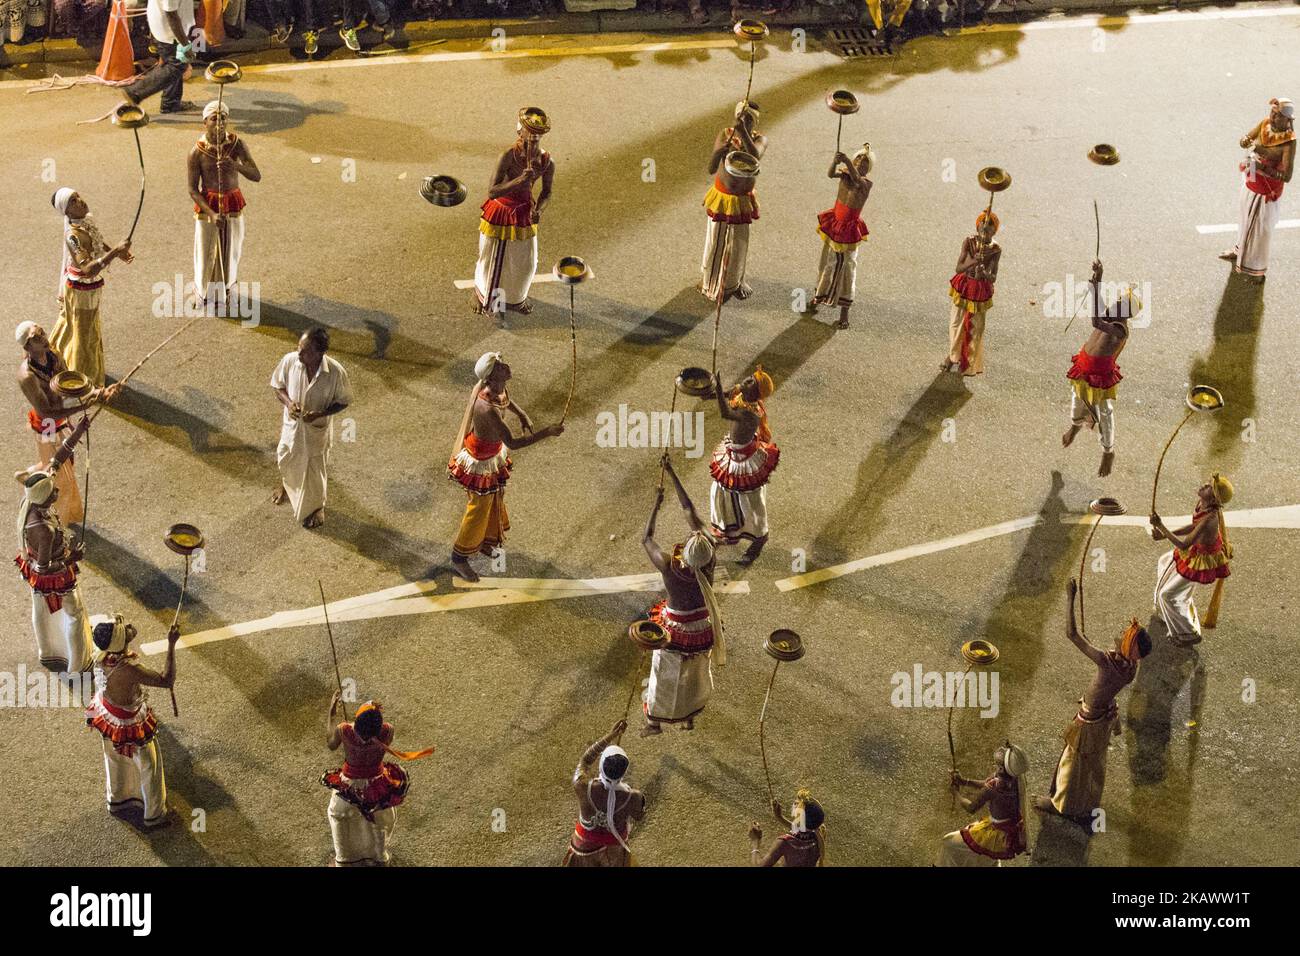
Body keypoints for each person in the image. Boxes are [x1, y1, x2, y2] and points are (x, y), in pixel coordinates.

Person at [1035, 579, 1151, 825]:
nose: (1120, 633)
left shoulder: (1108, 664)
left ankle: (1061, 805)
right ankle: (1087, 801)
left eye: (1124, 635)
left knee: (1072, 763)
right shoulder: (1129, 666)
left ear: (1128, 646)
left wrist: (1070, 597)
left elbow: (1071, 635)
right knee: (1092, 764)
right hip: (1104, 719)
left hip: (1090, 721)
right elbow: (1097, 649)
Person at [447, 352, 563, 582]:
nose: (505, 366)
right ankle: (458, 558)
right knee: (478, 508)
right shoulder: (485, 407)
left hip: (492, 454)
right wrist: (546, 433)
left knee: (494, 500)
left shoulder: (498, 390)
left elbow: (507, 400)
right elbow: (513, 443)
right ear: (490, 377)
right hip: (480, 460)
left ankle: (484, 541)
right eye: (499, 366)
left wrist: (522, 415)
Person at [641, 459, 726, 735]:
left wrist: (657, 502)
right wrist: (673, 473)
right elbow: (690, 510)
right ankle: (689, 716)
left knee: (665, 675)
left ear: (686, 553)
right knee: (695, 673)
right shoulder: (710, 557)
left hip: (676, 629)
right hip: (702, 626)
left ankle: (654, 721)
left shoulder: (669, 566)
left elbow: (646, 539)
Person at [16, 321, 119, 527]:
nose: (44, 339)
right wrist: (86, 404)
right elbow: (47, 413)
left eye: (42, 333)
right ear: (27, 348)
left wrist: (99, 392)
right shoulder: (27, 376)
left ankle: (30, 474)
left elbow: (70, 386)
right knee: (61, 481)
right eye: (37, 339)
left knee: (64, 462)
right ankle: (59, 524)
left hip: (61, 416)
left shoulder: (53, 356)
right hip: (46, 426)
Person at [15, 415, 95, 674]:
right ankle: (78, 663)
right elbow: (42, 568)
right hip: (55, 574)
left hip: (44, 563)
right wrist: (72, 558)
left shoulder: (33, 498)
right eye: (54, 492)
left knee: (44, 611)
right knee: (73, 614)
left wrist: (78, 431)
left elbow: (58, 458)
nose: (57, 492)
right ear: (44, 498)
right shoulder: (44, 530)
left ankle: (50, 652)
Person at [85, 613, 179, 827]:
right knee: (149, 766)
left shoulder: (101, 654)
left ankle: (118, 798)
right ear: (119, 643)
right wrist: (171, 644)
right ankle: (154, 815)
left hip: (106, 715)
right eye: (124, 630)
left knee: (114, 759)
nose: (128, 627)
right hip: (128, 723)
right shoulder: (129, 669)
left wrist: (90, 716)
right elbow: (167, 680)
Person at [322, 694, 433, 866]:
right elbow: (368, 736)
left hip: (350, 784)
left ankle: (345, 861)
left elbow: (331, 744)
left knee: (339, 817)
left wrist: (332, 713)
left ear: (357, 724)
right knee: (377, 821)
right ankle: (377, 858)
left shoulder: (344, 730)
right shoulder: (388, 731)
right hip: (377, 784)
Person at [473, 108, 555, 319]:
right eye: (529, 135)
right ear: (520, 133)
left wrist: (539, 210)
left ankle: (517, 298)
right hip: (500, 212)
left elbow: (547, 192)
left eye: (537, 136)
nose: (533, 140)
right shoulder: (508, 156)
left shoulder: (547, 161)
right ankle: (481, 295)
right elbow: (492, 192)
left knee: (525, 263)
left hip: (524, 214)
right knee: (489, 258)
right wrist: (519, 181)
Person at [49, 188, 134, 387]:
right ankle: (81, 381)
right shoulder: (72, 236)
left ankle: (56, 357)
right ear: (67, 212)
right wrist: (115, 252)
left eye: (78, 196)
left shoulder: (85, 221)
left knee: (79, 325)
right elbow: (87, 269)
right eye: (73, 201)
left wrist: (114, 251)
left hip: (89, 288)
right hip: (80, 290)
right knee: (84, 333)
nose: (80, 201)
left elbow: (95, 240)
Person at [270, 328, 354, 530]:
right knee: (286, 458)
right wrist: (289, 403)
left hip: (316, 432)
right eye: (299, 348)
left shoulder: (334, 373)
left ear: (320, 353)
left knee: (315, 472)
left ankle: (317, 508)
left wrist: (321, 414)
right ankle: (288, 487)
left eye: (305, 351)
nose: (299, 354)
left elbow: (344, 401)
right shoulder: (291, 361)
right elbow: (277, 386)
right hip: (292, 428)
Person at [1061, 259, 1136, 478]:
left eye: (1121, 305)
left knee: (1105, 413)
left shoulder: (1118, 329)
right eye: (1118, 301)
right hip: (1084, 367)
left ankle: (1108, 451)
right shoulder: (1111, 315)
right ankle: (1075, 425)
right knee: (1077, 401)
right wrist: (1098, 280)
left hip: (1100, 376)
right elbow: (1099, 304)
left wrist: (1096, 287)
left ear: (1127, 314)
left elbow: (1096, 321)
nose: (1116, 304)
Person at [190, 100, 261, 309]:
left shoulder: (237, 144)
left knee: (231, 251)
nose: (220, 123)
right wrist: (211, 214)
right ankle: (203, 294)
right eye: (214, 119)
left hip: (232, 204)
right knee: (206, 251)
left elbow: (256, 175)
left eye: (223, 118)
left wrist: (235, 166)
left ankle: (226, 292)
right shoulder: (197, 152)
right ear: (205, 122)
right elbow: (193, 190)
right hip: (208, 207)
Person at [1150, 474, 1233, 647]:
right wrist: (1163, 533)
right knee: (1164, 561)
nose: (1204, 484)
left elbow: (1183, 544)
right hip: (1194, 552)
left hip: (1200, 562)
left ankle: (1187, 633)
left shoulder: (1210, 519)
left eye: (1209, 486)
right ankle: (1177, 607)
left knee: (1166, 595)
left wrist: (1161, 526)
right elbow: (1192, 527)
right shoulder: (1202, 505)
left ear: (1213, 499)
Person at [709, 366, 779, 564]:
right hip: (733, 455)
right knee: (719, 493)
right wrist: (710, 390)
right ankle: (725, 531)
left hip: (746, 464)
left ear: (756, 392)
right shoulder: (743, 395)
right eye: (749, 378)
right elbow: (725, 395)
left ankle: (760, 538)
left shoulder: (752, 415)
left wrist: (719, 384)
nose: (745, 381)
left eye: (750, 382)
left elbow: (725, 413)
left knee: (752, 504)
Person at [1220, 97, 1295, 280]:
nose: (1273, 117)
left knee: (1261, 229)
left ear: (1287, 120)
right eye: (1273, 113)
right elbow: (1246, 138)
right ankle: (1239, 248)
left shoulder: (1288, 142)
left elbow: (1287, 176)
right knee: (1244, 217)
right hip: (1252, 180)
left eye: (1277, 116)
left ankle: (1258, 269)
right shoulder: (1264, 124)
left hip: (1266, 191)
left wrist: (1265, 169)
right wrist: (1245, 140)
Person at [702, 101, 766, 302]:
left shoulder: (760, 139)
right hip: (723, 198)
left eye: (748, 119)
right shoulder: (726, 134)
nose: (743, 121)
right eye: (741, 117)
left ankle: (735, 282)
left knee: (738, 243)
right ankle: (711, 282)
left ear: (754, 121)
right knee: (717, 241)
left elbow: (755, 157)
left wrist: (743, 133)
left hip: (741, 201)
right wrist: (720, 151)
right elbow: (712, 168)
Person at [562, 720, 646, 867]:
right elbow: (639, 816)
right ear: (624, 772)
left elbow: (585, 760)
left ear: (601, 766)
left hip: (584, 846)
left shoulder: (581, 785)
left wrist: (610, 736)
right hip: (614, 850)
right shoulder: (633, 796)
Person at [812, 144, 874, 329]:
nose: (860, 164)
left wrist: (847, 160)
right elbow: (830, 174)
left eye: (865, 163)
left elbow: (857, 180)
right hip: (834, 225)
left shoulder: (865, 184)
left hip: (849, 232)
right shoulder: (845, 174)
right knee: (827, 263)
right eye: (858, 160)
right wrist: (835, 161)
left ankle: (844, 312)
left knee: (847, 269)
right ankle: (818, 296)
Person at [938, 743, 1029, 866]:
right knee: (987, 857)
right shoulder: (1016, 779)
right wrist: (964, 781)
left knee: (949, 842)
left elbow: (971, 808)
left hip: (996, 833)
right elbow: (986, 784)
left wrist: (956, 794)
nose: (1002, 749)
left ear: (1002, 768)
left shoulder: (994, 788)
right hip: (1008, 832)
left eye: (998, 764)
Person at [941, 211, 1001, 376]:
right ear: (977, 224)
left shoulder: (995, 249)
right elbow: (959, 268)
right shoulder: (969, 242)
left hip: (980, 291)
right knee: (956, 324)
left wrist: (985, 273)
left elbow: (994, 277)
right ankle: (953, 355)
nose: (985, 227)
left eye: (990, 224)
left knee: (975, 328)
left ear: (994, 230)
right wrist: (974, 261)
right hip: (964, 287)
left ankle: (967, 363)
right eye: (983, 222)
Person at [122, 0, 199, 115]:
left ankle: (171, 103)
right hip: (169, 31)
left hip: (167, 25)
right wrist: (185, 45)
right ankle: (135, 92)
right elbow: (171, 15)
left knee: (172, 63)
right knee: (176, 66)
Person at [748, 790, 827, 866]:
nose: (794, 803)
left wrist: (755, 841)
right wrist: (780, 817)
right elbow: (804, 828)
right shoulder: (819, 834)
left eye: (796, 804)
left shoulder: (785, 842)